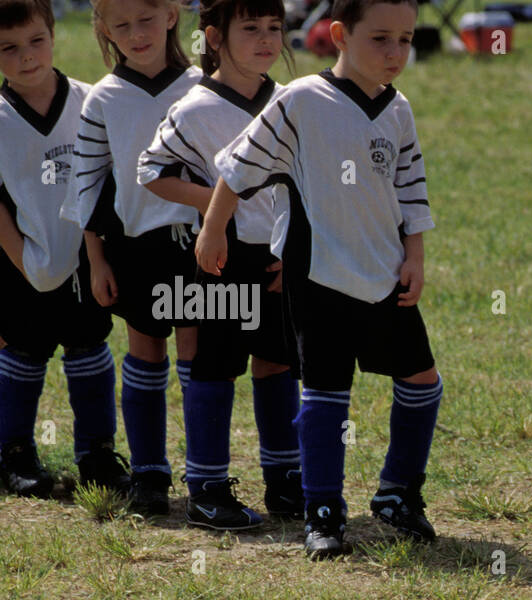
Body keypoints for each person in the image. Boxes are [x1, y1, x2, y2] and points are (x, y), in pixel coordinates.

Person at [197, 0, 441, 559]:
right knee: (326, 393)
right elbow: (237, 166)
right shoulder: (303, 99)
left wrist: (415, 257)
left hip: (384, 274)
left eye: (405, 40)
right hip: (318, 276)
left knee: (422, 382)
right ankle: (323, 512)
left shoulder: (398, 109)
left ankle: (399, 494)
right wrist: (214, 230)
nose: (395, 52)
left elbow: (412, 191)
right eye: (380, 39)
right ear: (339, 35)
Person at [137, 0, 302, 530]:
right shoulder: (195, 107)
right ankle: (207, 489)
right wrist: (215, 201)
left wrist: (293, 244)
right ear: (213, 37)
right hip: (218, 257)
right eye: (250, 28)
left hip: (276, 259)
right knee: (215, 365)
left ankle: (285, 481)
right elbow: (151, 171)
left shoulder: (290, 101)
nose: (265, 40)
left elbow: (306, 182)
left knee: (278, 362)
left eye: (274, 28)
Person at [62, 0, 201, 515]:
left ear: (171, 16)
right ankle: (149, 476)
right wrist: (96, 262)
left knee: (196, 357)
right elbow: (87, 186)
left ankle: (205, 473)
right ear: (104, 30)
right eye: (121, 25)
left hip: (195, 246)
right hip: (133, 248)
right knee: (145, 355)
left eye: (146, 19)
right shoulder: (102, 99)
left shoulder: (202, 87)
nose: (136, 33)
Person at [0, 0, 129, 498]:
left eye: (35, 41)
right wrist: (20, 257)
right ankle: (14, 454)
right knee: (22, 349)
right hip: (20, 255)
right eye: (8, 49)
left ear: (53, 35)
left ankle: (96, 454)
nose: (26, 57)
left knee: (89, 344)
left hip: (83, 253)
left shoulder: (89, 101)